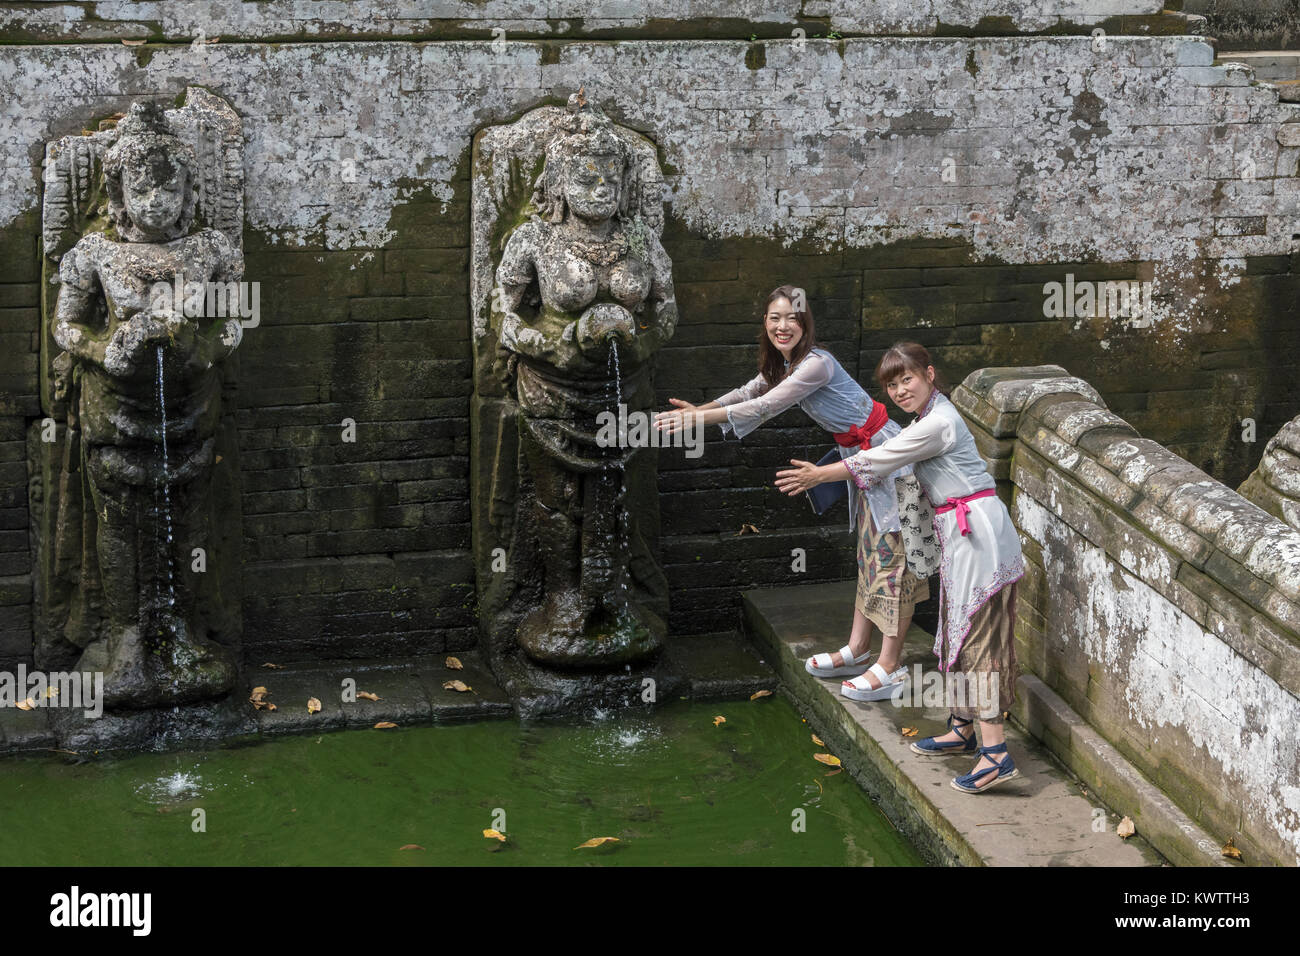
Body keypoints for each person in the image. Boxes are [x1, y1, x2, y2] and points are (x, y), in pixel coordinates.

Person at [655, 287, 933, 701]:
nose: (782, 326)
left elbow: (765, 406)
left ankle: (889, 665)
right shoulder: (786, 363)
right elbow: (750, 392)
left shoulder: (816, 365)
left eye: (792, 319)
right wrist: (700, 409)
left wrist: (700, 421)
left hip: (889, 463)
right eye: (774, 318)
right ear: (765, 323)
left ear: (805, 325)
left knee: (892, 562)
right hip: (861, 461)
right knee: (868, 556)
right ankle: (858, 649)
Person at [774, 342, 1025, 793]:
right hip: (963, 535)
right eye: (891, 385)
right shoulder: (927, 419)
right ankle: (962, 727)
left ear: (929, 374)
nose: (899, 390)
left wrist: (819, 475)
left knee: (978, 637)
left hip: (979, 536)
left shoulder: (939, 424)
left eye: (906, 378)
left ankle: (996, 753)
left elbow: (877, 460)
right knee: (956, 630)